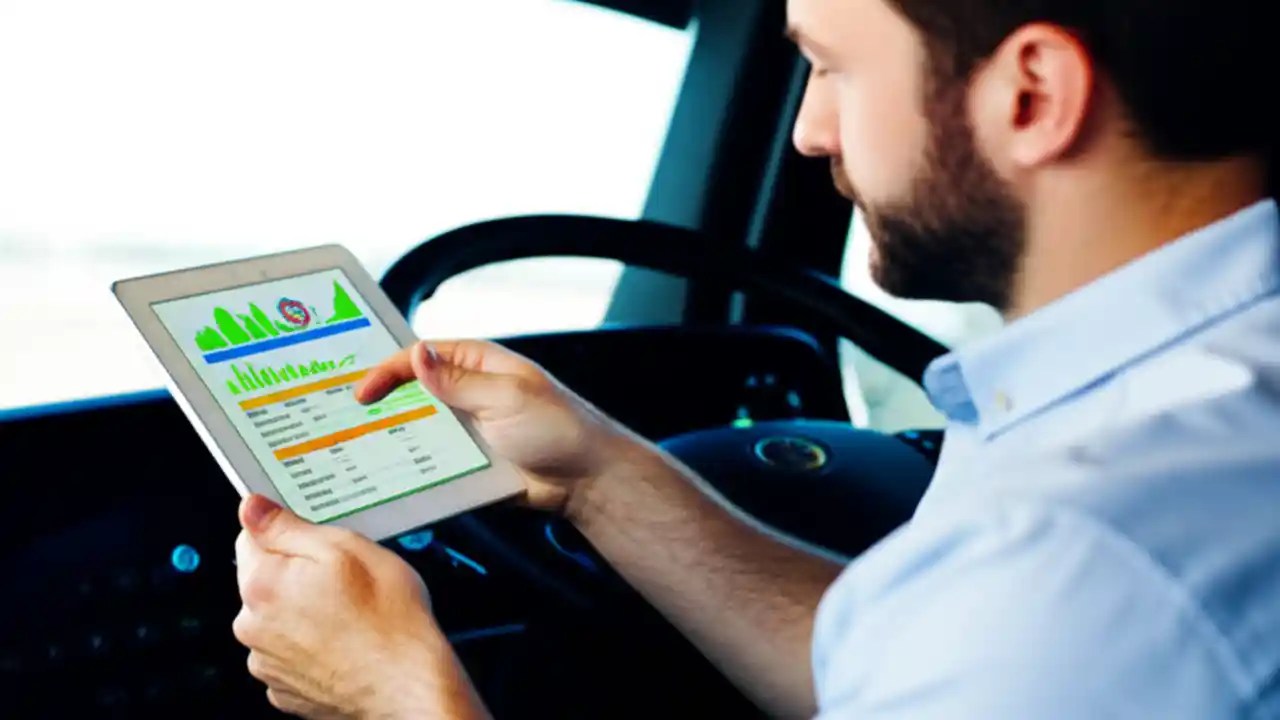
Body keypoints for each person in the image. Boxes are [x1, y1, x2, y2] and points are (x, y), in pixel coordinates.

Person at [228, 0, 1280, 717]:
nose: (810, 133)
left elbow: (1012, 630)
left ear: (1031, 94)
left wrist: (400, 695)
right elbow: (913, 668)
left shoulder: (1079, 557)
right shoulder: (1186, 404)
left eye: (829, 66)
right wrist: (599, 476)